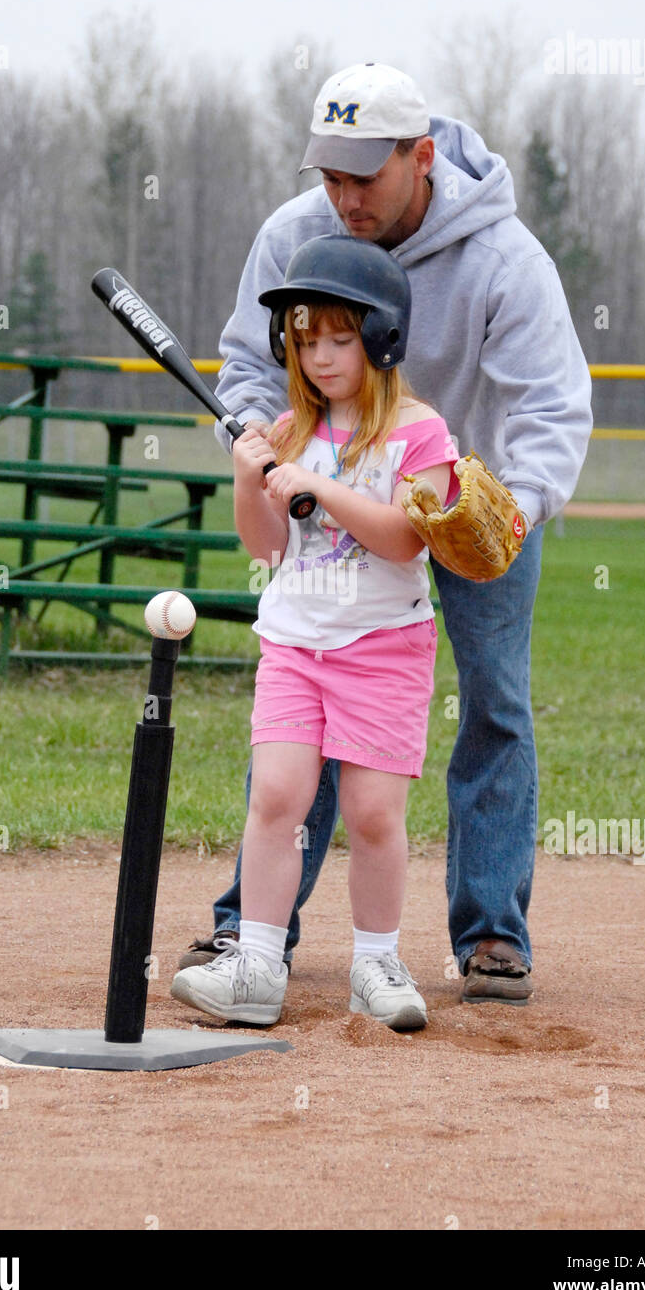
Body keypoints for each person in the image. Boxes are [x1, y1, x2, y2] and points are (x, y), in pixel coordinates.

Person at [179, 62, 593, 1004]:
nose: (343, 195)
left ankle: (489, 933)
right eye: (330, 174)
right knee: (315, 705)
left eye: (365, 174)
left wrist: (514, 511)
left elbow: (551, 405)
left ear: (423, 156)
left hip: (463, 501)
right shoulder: (294, 235)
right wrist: (255, 434)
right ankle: (255, 933)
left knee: (493, 702)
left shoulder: (505, 259)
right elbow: (248, 359)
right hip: (329, 492)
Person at [171, 236, 457, 1029]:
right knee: (277, 798)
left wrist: (321, 487)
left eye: (340, 338)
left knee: (371, 813)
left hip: (383, 651)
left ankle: (377, 963)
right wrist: (248, 477)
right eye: (305, 341)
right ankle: (258, 965)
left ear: (382, 337)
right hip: (296, 645)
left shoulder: (420, 433)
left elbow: (405, 538)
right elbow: (266, 547)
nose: (322, 357)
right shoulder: (292, 430)